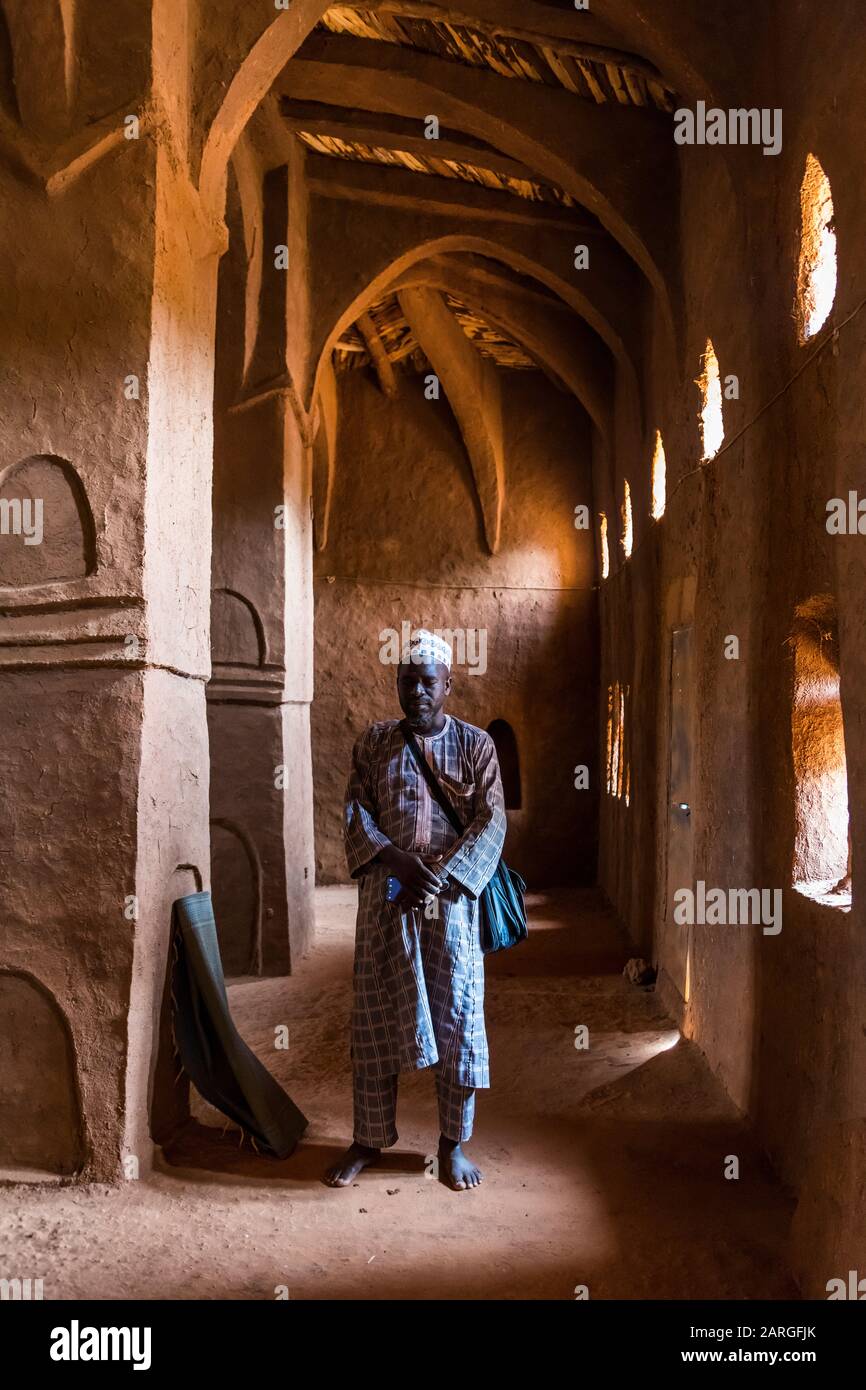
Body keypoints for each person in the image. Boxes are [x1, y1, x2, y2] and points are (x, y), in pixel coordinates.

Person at [324, 629, 506, 1191]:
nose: (418, 691)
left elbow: (491, 820)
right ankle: (368, 1139)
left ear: (448, 684)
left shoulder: (475, 745)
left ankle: (452, 1146)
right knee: (377, 1015)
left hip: (448, 909)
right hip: (386, 900)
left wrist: (439, 876)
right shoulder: (374, 743)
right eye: (408, 681)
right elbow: (357, 811)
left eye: (429, 681)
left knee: (457, 1019)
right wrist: (396, 861)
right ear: (397, 683)